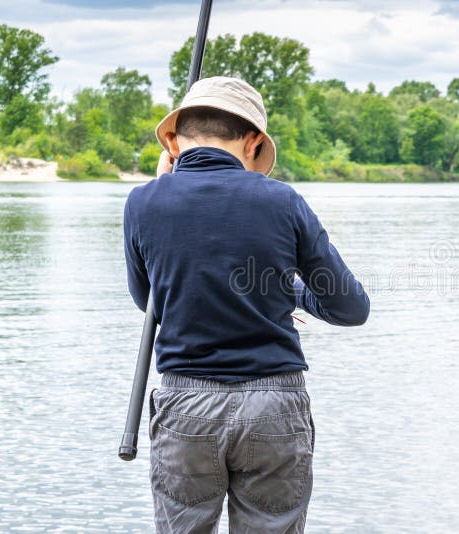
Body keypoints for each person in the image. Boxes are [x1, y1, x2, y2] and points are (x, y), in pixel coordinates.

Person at [123, 76, 370, 533]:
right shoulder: (283, 201)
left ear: (174, 142)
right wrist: (285, 290)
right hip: (274, 407)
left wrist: (162, 192)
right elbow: (350, 308)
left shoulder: (142, 203)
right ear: (255, 141)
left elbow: (149, 302)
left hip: (186, 406)